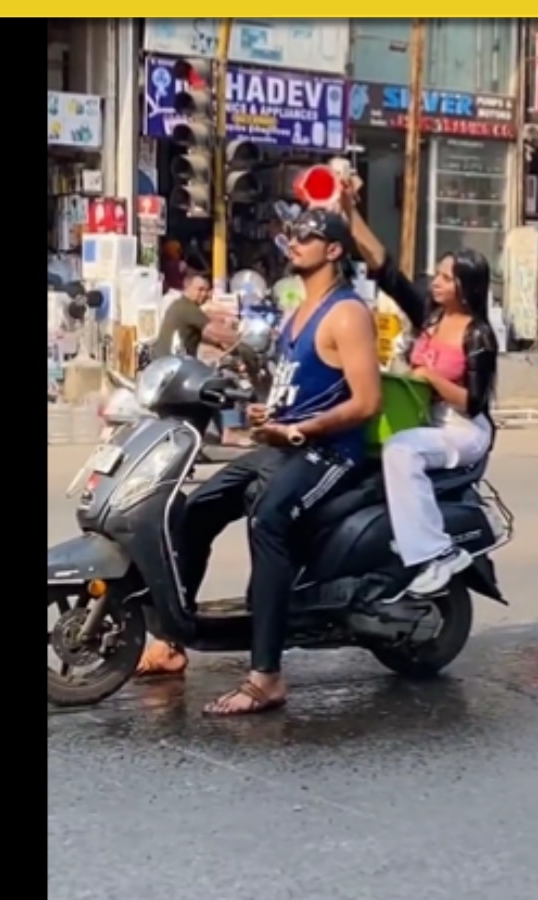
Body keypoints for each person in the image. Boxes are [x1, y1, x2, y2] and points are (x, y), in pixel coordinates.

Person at [137, 208, 382, 716]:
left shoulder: (347, 313)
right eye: (290, 234)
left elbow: (365, 402)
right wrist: (268, 411)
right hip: (283, 443)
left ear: (334, 250)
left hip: (329, 452)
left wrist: (298, 428)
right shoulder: (296, 314)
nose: (293, 242)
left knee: (268, 520)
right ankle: (169, 639)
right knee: (196, 506)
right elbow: (298, 389)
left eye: (306, 236)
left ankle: (266, 675)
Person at [341, 179, 498, 596]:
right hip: (424, 421)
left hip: (462, 431)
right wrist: (348, 209)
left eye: (447, 278)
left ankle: (435, 552)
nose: (437, 283)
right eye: (439, 276)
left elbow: (475, 402)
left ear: (466, 285)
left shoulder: (479, 334)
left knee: (401, 451)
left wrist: (431, 378)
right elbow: (385, 270)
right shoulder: (428, 317)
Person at [151, 270, 237, 360]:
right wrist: (242, 339)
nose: (203, 294)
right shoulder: (187, 308)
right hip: (174, 365)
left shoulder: (180, 304)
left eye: (206, 291)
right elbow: (215, 332)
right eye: (200, 289)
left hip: (167, 361)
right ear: (187, 288)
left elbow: (207, 332)